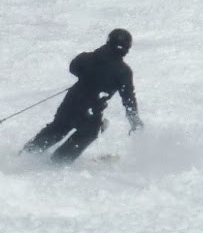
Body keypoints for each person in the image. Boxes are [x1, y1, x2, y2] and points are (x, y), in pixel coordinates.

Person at [22, 28, 142, 164]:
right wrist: (134, 120)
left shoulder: (89, 58)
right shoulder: (123, 72)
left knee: (57, 128)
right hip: (90, 113)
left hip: (70, 104)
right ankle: (59, 161)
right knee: (89, 132)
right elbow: (128, 98)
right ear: (127, 48)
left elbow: (73, 67)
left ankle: (26, 155)